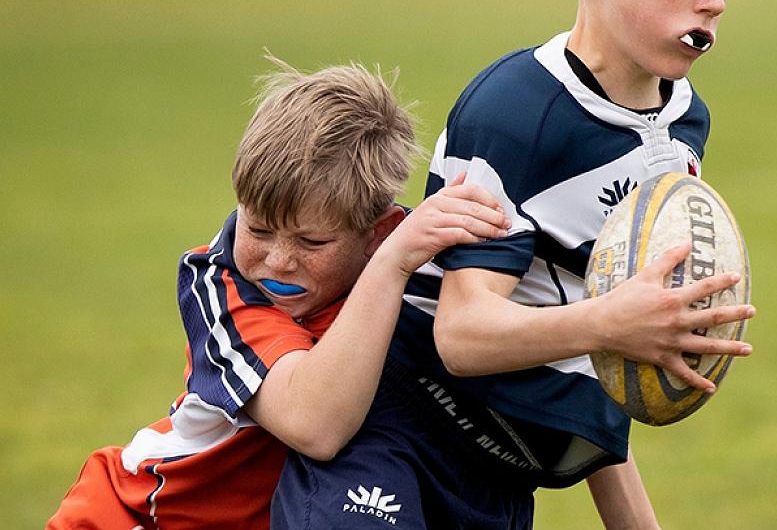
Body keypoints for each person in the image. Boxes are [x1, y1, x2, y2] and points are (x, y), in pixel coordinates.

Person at [271, 0, 758, 529]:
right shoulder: (517, 112)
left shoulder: (684, 125)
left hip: (501, 481)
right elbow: (462, 336)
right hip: (400, 437)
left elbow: (590, 357)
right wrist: (612, 324)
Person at [46, 58, 511, 529]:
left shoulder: (412, 265)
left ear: (377, 233)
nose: (279, 260)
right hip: (134, 518)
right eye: (260, 229)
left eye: (313, 242)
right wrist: (391, 265)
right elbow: (315, 425)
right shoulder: (220, 284)